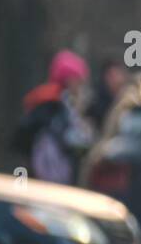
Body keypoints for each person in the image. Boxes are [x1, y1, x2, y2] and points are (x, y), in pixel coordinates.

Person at [15, 50, 93, 184]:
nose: (80, 85)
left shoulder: (46, 99)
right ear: (68, 79)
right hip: (52, 178)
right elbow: (74, 138)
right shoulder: (57, 104)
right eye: (78, 80)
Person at [86, 56, 131, 132]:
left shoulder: (130, 99)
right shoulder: (97, 103)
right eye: (112, 76)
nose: (116, 80)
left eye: (118, 74)